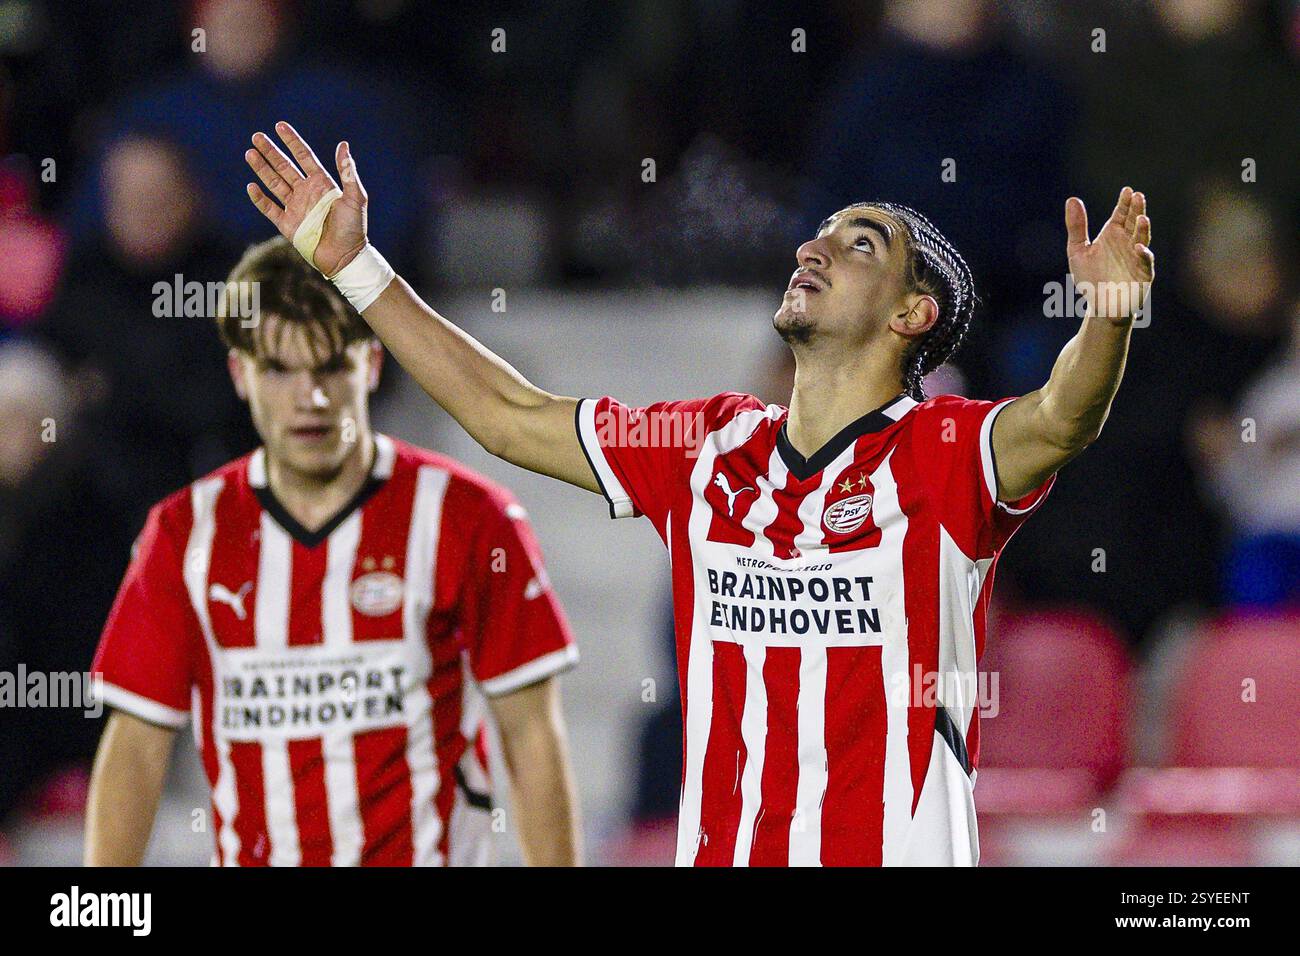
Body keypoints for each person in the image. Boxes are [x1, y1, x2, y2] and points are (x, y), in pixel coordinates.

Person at [241, 122, 1153, 866]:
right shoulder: (705, 445)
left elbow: (1062, 419)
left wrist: (1107, 316)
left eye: (858, 243)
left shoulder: (943, 451)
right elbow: (511, 415)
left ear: (911, 314)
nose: (813, 247)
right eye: (820, 231)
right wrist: (357, 269)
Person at [84, 237, 581, 867]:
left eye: (329, 367)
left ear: (371, 364)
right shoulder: (185, 533)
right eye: (279, 370)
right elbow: (136, 743)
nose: (309, 399)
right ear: (240, 374)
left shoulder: (469, 519)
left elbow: (531, 732)